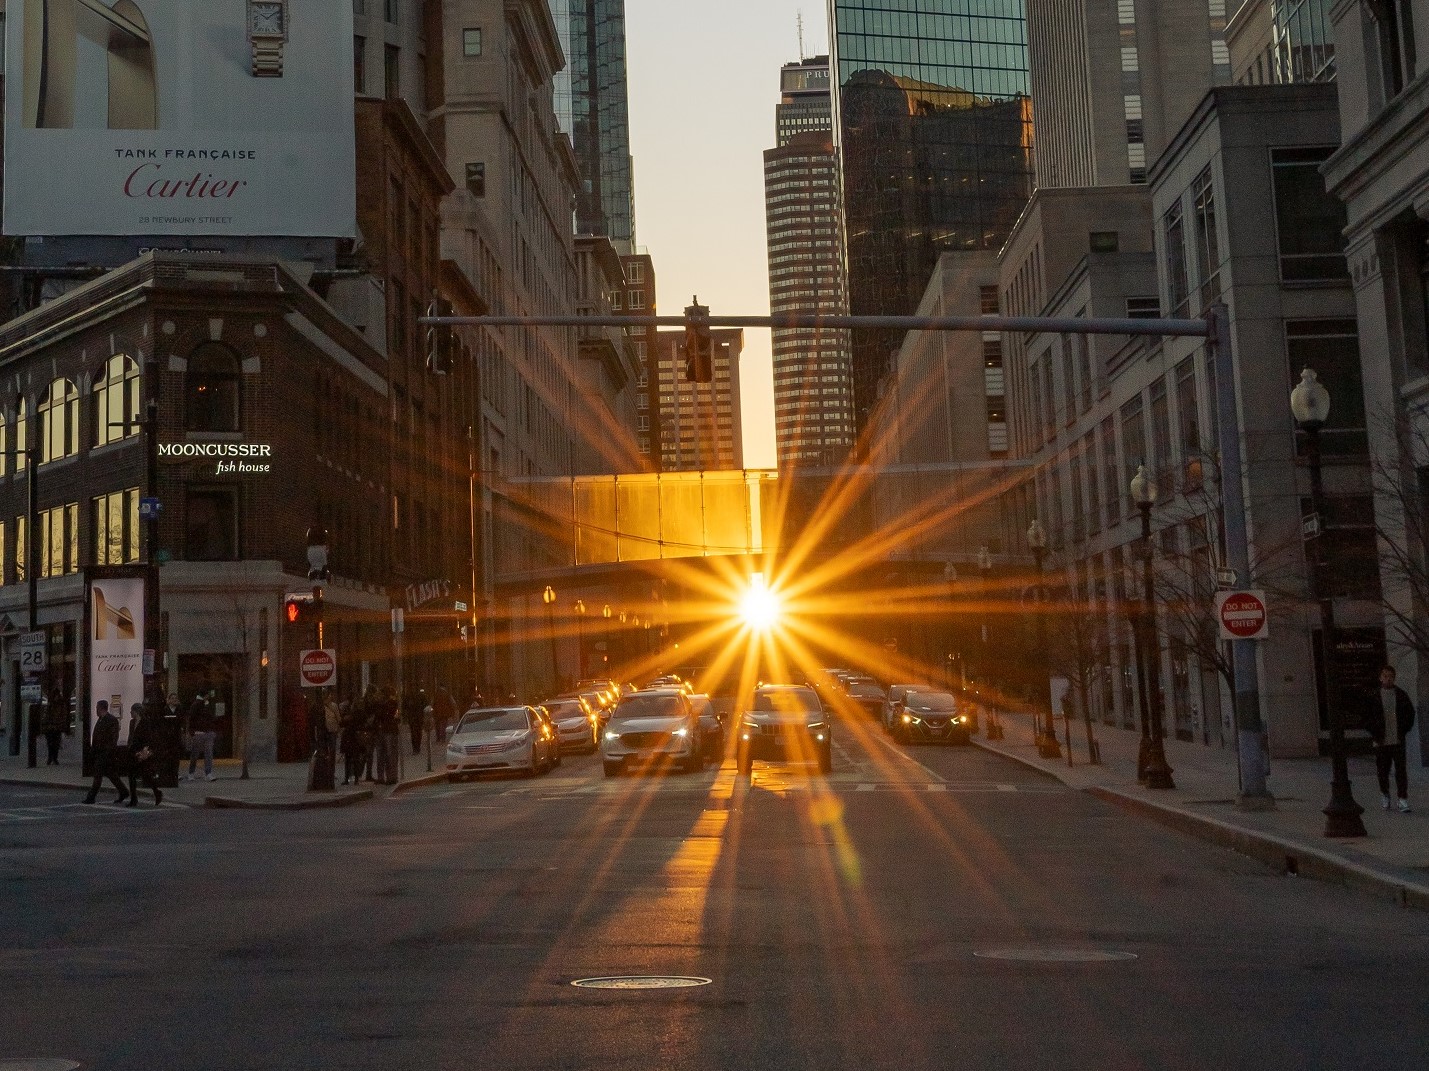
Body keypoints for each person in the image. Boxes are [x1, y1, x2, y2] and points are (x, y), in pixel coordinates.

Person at [1369, 665, 1416, 813]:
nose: (1388, 679)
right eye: (1385, 676)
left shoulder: (1401, 695)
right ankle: (1385, 794)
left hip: (1397, 740)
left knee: (1400, 770)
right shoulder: (1375, 696)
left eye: (1391, 676)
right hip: (1381, 741)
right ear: (1380, 677)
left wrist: (1404, 730)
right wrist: (1375, 732)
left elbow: (1410, 713)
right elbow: (1367, 717)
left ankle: (1402, 799)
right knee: (1383, 770)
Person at [83, 700, 128, 805]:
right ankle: (123, 791)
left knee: (98, 775)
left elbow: (113, 738)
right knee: (111, 774)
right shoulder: (100, 720)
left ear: (101, 708)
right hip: (99, 752)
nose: (96, 710)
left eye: (97, 708)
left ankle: (91, 796)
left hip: (105, 753)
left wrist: (108, 751)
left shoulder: (111, 720)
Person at [124, 703, 163, 807]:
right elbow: (131, 736)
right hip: (133, 751)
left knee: (146, 774)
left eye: (132, 711)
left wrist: (145, 750)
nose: (130, 713)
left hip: (142, 751)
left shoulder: (146, 722)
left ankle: (156, 792)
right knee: (131, 776)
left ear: (136, 711)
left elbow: (148, 737)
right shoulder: (132, 722)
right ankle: (133, 799)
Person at [183, 690, 218, 781]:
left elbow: (211, 717)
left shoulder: (207, 704)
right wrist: (192, 731)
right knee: (196, 753)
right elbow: (191, 718)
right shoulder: (197, 704)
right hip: (199, 732)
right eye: (207, 695)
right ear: (205, 695)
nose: (209, 696)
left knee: (207, 753)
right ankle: (192, 772)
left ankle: (207, 773)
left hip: (207, 731)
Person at [41, 691, 68, 765]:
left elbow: (63, 716)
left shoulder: (61, 706)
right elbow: (46, 716)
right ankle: (51, 757)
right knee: (50, 744)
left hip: (56, 727)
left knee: (55, 744)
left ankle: (54, 758)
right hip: (50, 727)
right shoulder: (50, 706)